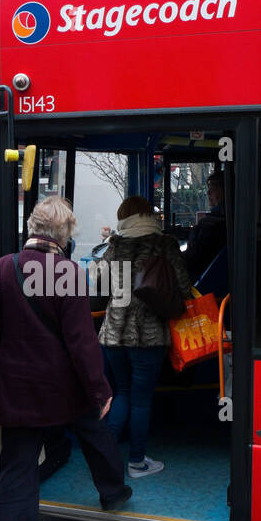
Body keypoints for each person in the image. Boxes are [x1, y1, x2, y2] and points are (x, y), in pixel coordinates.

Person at [0, 197, 132, 521]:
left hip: (16, 385)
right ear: (65, 233)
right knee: (94, 432)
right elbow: (81, 342)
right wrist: (99, 390)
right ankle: (113, 492)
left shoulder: (3, 266)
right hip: (64, 385)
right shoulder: (66, 273)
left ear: (33, 226)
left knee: (17, 466)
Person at [97, 195, 191, 478]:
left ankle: (105, 458)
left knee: (121, 394)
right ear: (149, 215)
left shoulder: (115, 244)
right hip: (148, 338)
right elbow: (184, 287)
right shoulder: (165, 244)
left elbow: (100, 284)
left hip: (113, 335)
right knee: (141, 400)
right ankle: (137, 462)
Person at [183, 172, 227, 284]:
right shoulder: (219, 220)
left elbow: (195, 259)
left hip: (203, 284)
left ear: (225, 191)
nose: (208, 193)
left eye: (213, 189)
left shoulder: (212, 224)